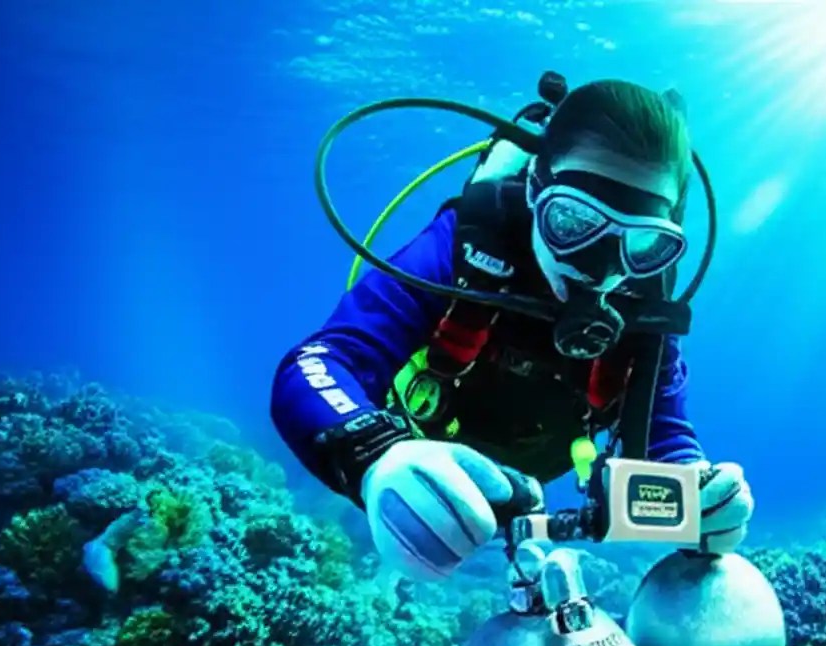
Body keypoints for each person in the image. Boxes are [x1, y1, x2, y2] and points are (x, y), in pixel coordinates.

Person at [269, 78, 755, 581]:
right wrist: (373, 453)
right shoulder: (473, 244)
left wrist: (702, 494)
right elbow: (321, 361)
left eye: (644, 243)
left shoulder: (645, 296)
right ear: (534, 189)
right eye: (572, 222)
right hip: (422, 438)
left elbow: (663, 430)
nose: (602, 270)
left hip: (541, 464)